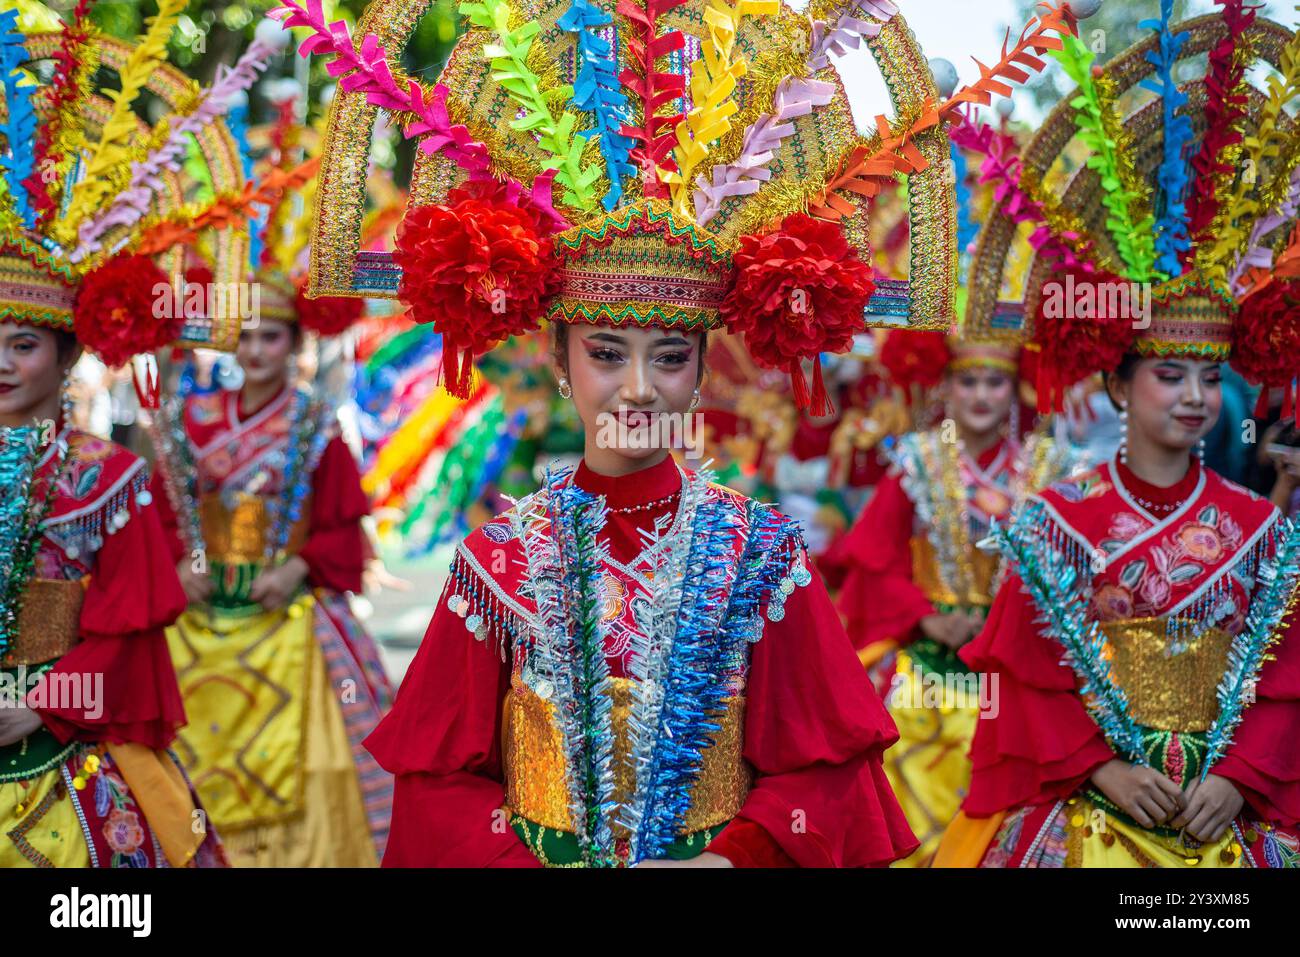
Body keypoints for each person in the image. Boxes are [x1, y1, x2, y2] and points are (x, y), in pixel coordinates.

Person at [275, 0, 971, 865]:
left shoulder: (762, 552)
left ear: (702, 365)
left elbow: (822, 777)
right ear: (560, 359)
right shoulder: (496, 563)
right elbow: (442, 788)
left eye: (670, 354)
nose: (639, 385)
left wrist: (733, 857)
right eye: (607, 352)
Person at [933, 3, 1300, 867]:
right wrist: (1100, 766)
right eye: (1169, 375)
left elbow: (1287, 681)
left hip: (1225, 817)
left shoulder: (1262, 530)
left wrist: (1240, 777)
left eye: (1210, 379)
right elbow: (1020, 676)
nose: (1196, 397)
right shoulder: (1055, 522)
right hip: (1092, 815)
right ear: (1115, 384)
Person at [0, 1, 252, 866]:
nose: (3, 363)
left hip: (66, 754)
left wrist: (38, 705)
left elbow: (126, 630)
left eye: (22, 343)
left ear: (66, 353)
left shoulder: (107, 480)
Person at [149, 273, 394, 867]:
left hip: (290, 609)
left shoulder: (318, 425)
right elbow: (160, 510)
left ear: (297, 344)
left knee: (327, 754)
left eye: (273, 338)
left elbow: (344, 527)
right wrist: (182, 564)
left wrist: (300, 568)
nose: (257, 351)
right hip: (198, 612)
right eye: (247, 337)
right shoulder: (192, 417)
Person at [821, 327, 1072, 865]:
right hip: (927, 652)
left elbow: (1064, 575)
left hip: (1015, 658)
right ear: (946, 387)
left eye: (995, 383)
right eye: (968, 381)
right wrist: (926, 619)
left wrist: (1007, 624)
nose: (981, 396)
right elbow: (875, 558)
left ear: (1015, 390)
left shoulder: (1049, 468)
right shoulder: (917, 460)